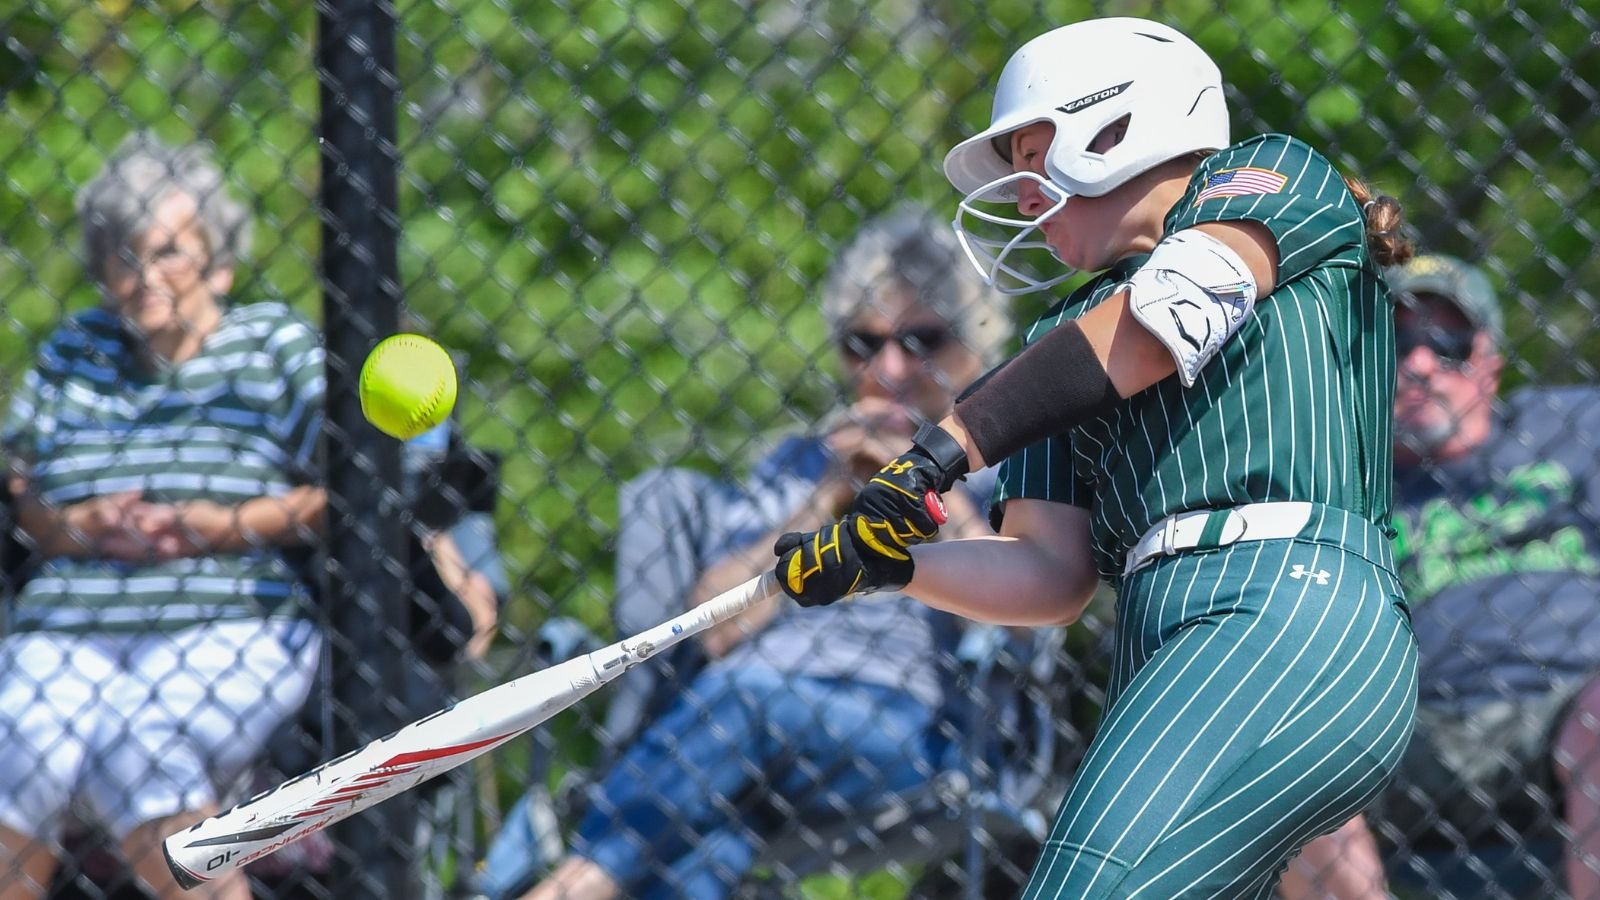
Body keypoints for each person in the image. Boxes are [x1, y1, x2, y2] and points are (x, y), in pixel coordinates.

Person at [771, 16, 1421, 898]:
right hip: (1168, 643)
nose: (1018, 191)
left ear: (1119, 127)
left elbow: (1161, 320)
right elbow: (1047, 575)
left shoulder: (1265, 182)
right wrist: (888, 563)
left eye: (1033, 154)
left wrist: (938, 455)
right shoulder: (1056, 347)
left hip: (1288, 608)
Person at [513, 203, 1010, 900]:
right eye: (863, 345)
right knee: (697, 842)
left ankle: (549, 889)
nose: (891, 370)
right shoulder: (797, 464)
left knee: (736, 711)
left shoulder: (997, 463)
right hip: (733, 730)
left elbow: (1019, 607)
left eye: (922, 340)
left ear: (976, 346)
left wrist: (920, 480)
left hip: (903, 727)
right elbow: (712, 631)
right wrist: (828, 495)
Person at [0, 135, 326, 900]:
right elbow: (24, 499)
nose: (144, 277)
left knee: (144, 743)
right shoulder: (73, 348)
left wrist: (227, 523)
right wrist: (81, 523)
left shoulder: (272, 344)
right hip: (71, 621)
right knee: (18, 739)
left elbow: (345, 488)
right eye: (123, 256)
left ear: (219, 263)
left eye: (169, 253)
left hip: (225, 612)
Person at [1287, 256, 1600, 899]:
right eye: (1395, 344)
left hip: (1569, 704)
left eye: (1447, 343)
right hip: (1405, 730)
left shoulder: (1574, 427)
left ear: (1491, 360)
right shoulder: (1338, 481)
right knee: (1279, 734)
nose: (1420, 365)